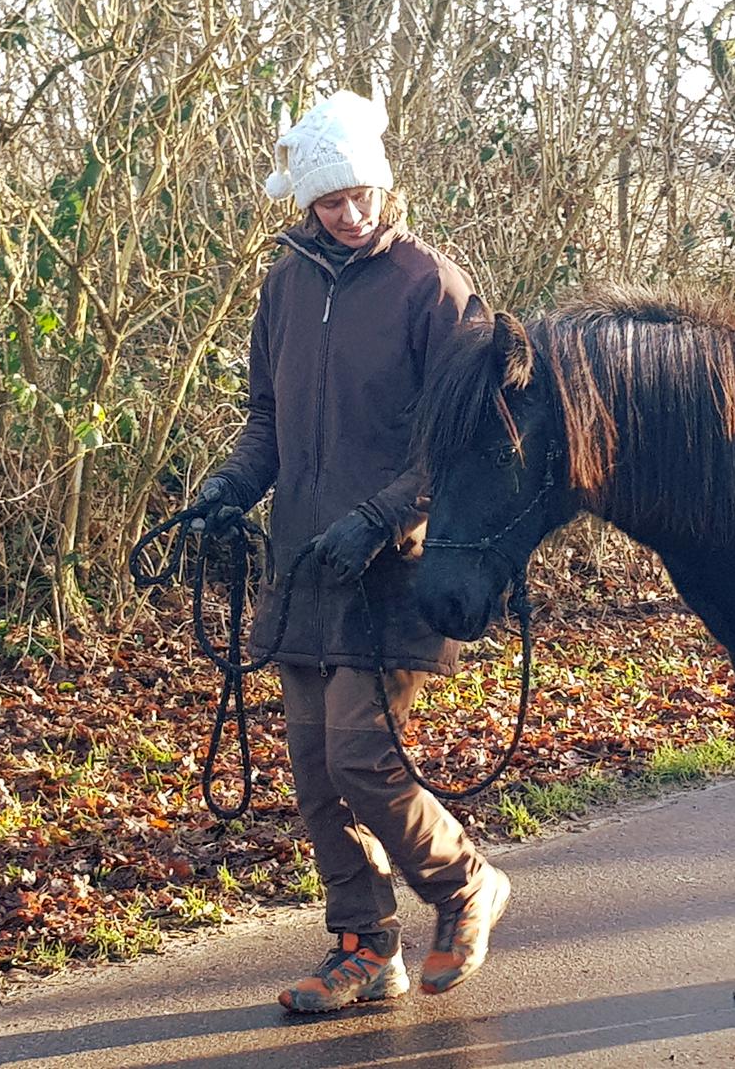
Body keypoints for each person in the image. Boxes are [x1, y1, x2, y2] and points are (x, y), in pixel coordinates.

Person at [185, 90, 510, 1013]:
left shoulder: (432, 286)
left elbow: (457, 440)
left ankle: (463, 886)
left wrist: (378, 519)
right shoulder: (284, 285)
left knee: (363, 754)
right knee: (316, 768)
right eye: (333, 200)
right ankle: (366, 945)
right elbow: (267, 422)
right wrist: (226, 490)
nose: (351, 212)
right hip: (302, 565)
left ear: (383, 183)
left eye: (363, 194)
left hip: (395, 569)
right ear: (308, 203)